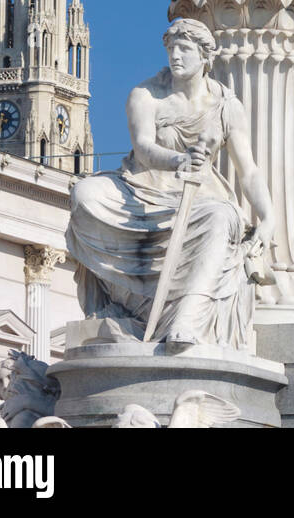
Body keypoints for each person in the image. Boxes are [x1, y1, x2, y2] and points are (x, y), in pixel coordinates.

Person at [66, 18, 274, 351]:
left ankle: (187, 318)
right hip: (140, 188)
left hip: (199, 196)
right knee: (84, 194)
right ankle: (129, 300)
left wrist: (268, 217)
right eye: (171, 49)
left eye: (185, 49)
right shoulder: (146, 95)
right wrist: (178, 160)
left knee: (221, 217)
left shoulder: (226, 107)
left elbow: (248, 170)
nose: (175, 56)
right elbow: (144, 148)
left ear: (205, 56)